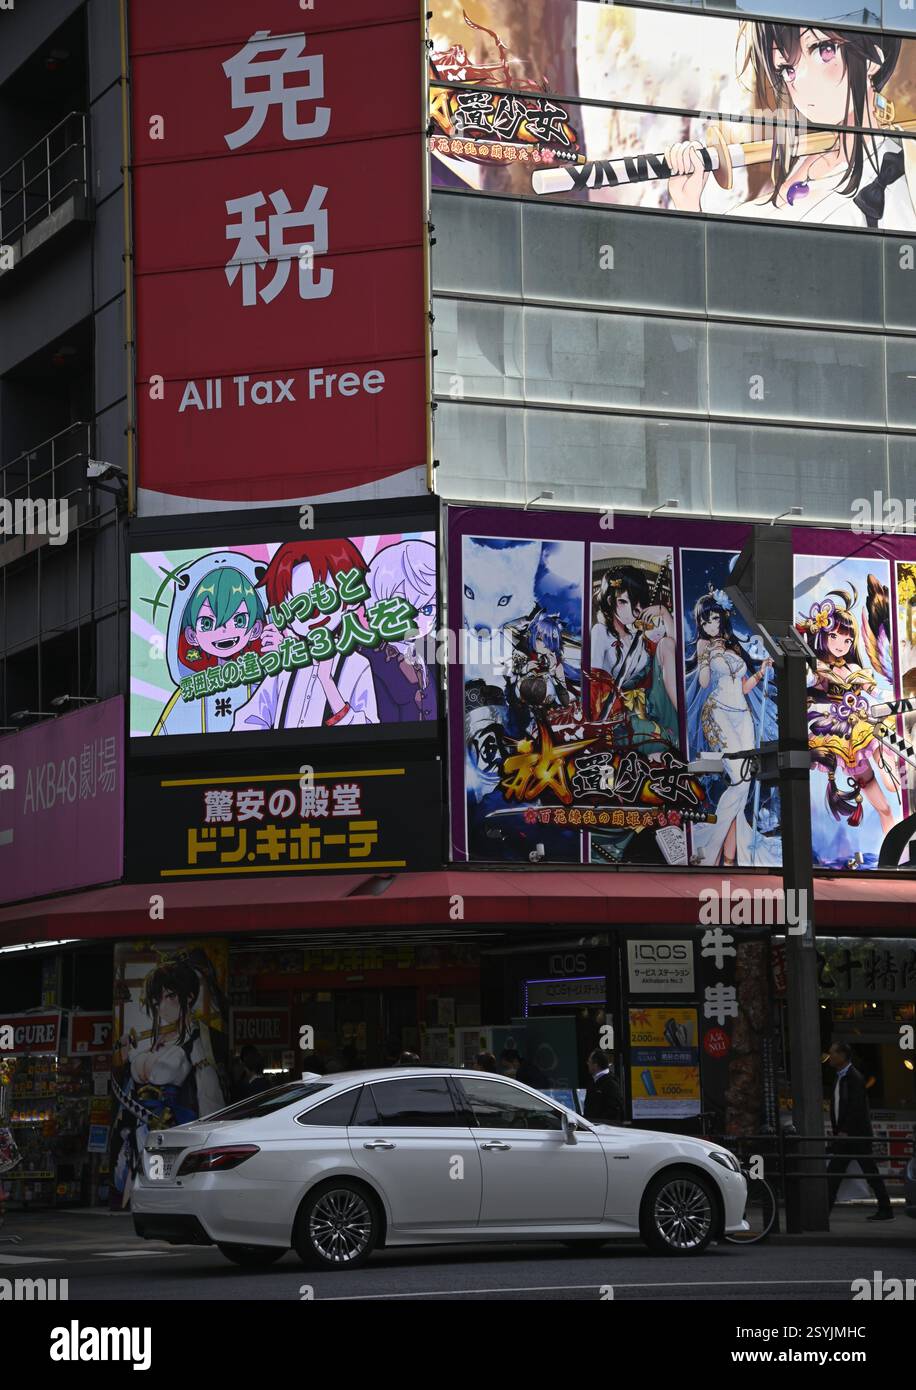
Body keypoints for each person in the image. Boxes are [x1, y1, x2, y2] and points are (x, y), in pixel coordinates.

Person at [666, 24, 916, 231]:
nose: (803, 83)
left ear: (873, 58)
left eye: (824, 50)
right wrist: (689, 207)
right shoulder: (807, 159)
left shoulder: (895, 176)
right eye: (787, 69)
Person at [826, 1041, 893, 1221]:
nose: (830, 1056)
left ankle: (886, 1209)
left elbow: (856, 1107)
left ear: (842, 1055)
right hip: (847, 1136)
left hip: (854, 1136)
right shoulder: (842, 1076)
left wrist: (844, 1130)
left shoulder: (854, 1077)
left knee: (867, 1173)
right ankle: (823, 1212)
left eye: (832, 1053)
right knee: (835, 1174)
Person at [583, 1048, 624, 1125]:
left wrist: (600, 1125)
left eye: (589, 1062)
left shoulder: (611, 1083)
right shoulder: (592, 1082)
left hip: (605, 1131)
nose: (587, 1063)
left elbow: (614, 1111)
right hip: (592, 1128)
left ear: (595, 1065)